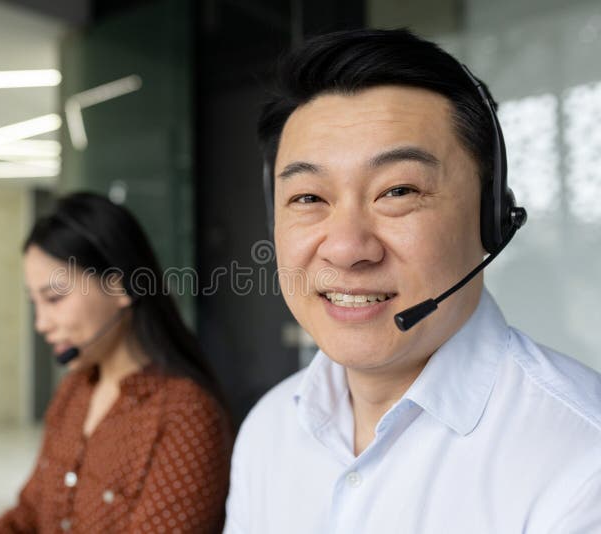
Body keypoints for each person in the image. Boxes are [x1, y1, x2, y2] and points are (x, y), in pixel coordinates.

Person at [224, 29, 601, 533]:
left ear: (493, 218)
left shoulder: (579, 458)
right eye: (309, 198)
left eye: (397, 190)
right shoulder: (267, 429)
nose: (346, 248)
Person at [0, 192, 232, 533]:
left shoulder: (185, 416)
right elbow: (28, 514)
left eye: (54, 298)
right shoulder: (74, 391)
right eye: (35, 303)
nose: (41, 323)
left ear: (120, 286)